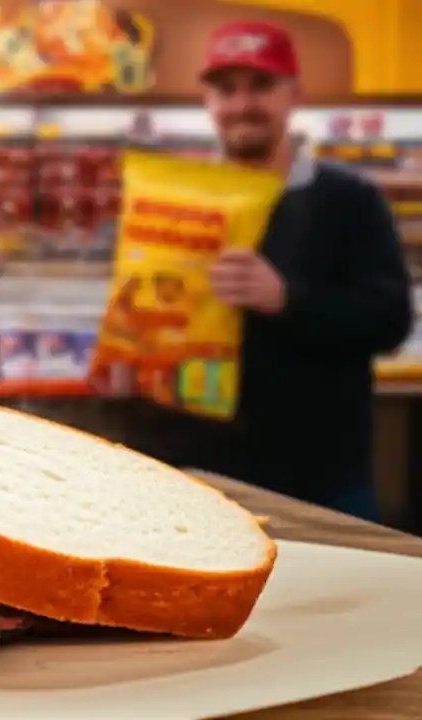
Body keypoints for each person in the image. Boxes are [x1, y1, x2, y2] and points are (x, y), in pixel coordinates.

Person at [119, 21, 414, 521]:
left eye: (261, 86)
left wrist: (288, 300)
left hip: (321, 484)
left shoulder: (350, 199)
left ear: (292, 94)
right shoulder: (178, 201)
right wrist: (130, 356)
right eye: (226, 89)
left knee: (334, 598)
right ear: (208, 100)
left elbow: (390, 320)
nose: (243, 104)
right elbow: (152, 313)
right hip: (203, 480)